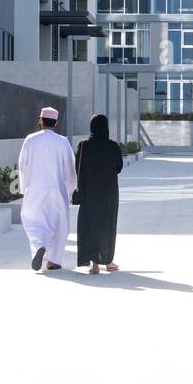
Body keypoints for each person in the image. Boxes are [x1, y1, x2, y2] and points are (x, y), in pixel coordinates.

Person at [18, 106, 78, 273]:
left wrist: (24, 187)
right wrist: (70, 188)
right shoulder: (63, 141)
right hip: (57, 189)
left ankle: (38, 245)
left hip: (35, 188)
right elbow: (70, 167)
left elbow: (23, 165)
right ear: (56, 122)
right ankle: (53, 261)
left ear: (40, 120)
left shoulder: (30, 139)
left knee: (32, 219)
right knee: (59, 224)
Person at [74, 113, 123, 275]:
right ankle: (107, 261)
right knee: (107, 225)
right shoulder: (113, 146)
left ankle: (94, 265)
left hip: (89, 192)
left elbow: (77, 168)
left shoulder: (83, 146)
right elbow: (118, 168)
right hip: (108, 192)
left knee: (90, 225)